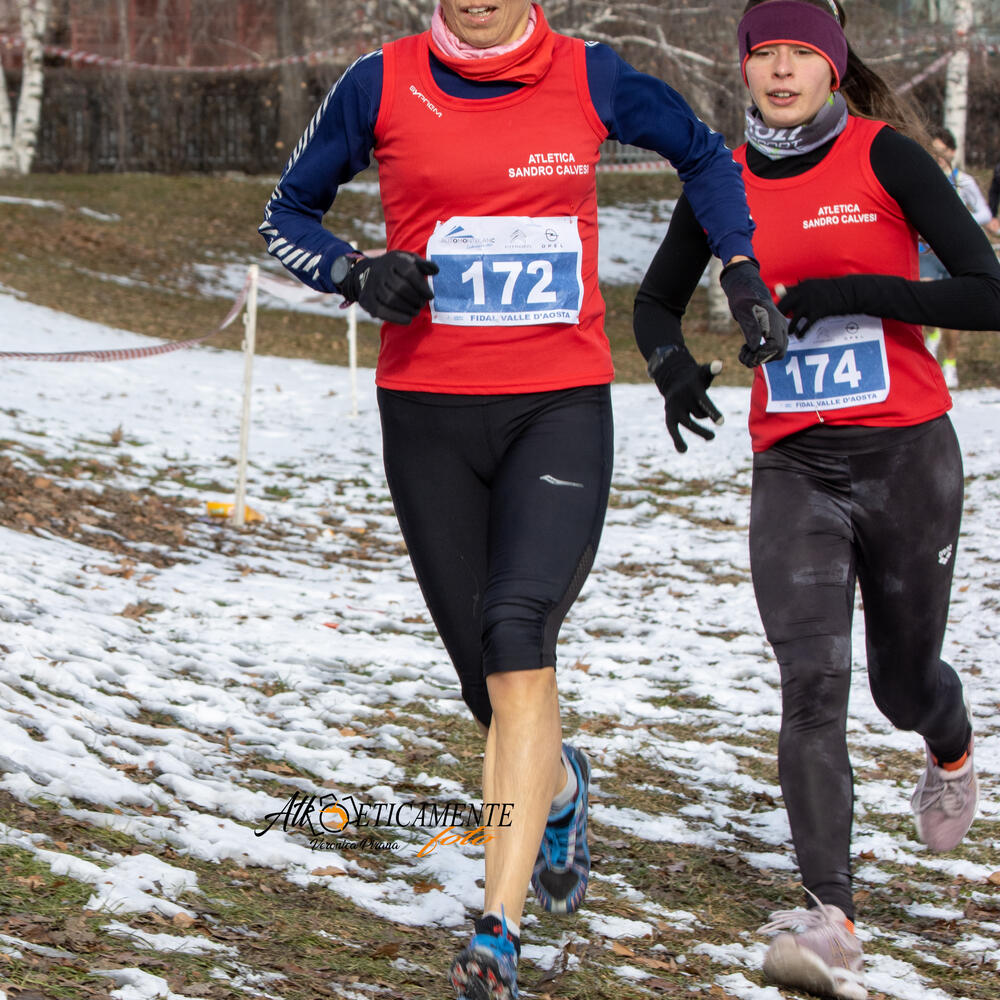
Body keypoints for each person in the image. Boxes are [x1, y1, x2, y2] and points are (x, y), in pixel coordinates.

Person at [258, 3, 783, 996]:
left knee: (517, 628)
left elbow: (709, 155)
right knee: (485, 689)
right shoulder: (379, 82)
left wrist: (741, 264)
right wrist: (357, 273)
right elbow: (284, 216)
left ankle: (495, 932)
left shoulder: (594, 76)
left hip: (557, 406)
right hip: (427, 417)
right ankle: (564, 785)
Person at [634, 1, 1000, 997]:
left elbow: (986, 291)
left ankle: (950, 738)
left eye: (802, 54)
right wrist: (672, 368)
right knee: (811, 683)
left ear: (833, 67)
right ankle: (831, 914)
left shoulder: (888, 159)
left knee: (898, 683)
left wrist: (850, 294)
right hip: (793, 465)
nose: (783, 72)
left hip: (906, 459)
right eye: (766, 55)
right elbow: (654, 298)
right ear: (744, 66)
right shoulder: (723, 179)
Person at [921, 126, 996, 387]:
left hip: (955, 254)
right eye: (933, 152)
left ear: (952, 152)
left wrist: (960, 222)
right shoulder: (922, 180)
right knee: (926, 296)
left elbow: (985, 214)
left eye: (942, 152)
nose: (938, 157)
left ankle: (950, 364)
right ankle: (932, 334)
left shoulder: (964, 181)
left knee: (953, 310)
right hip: (927, 252)